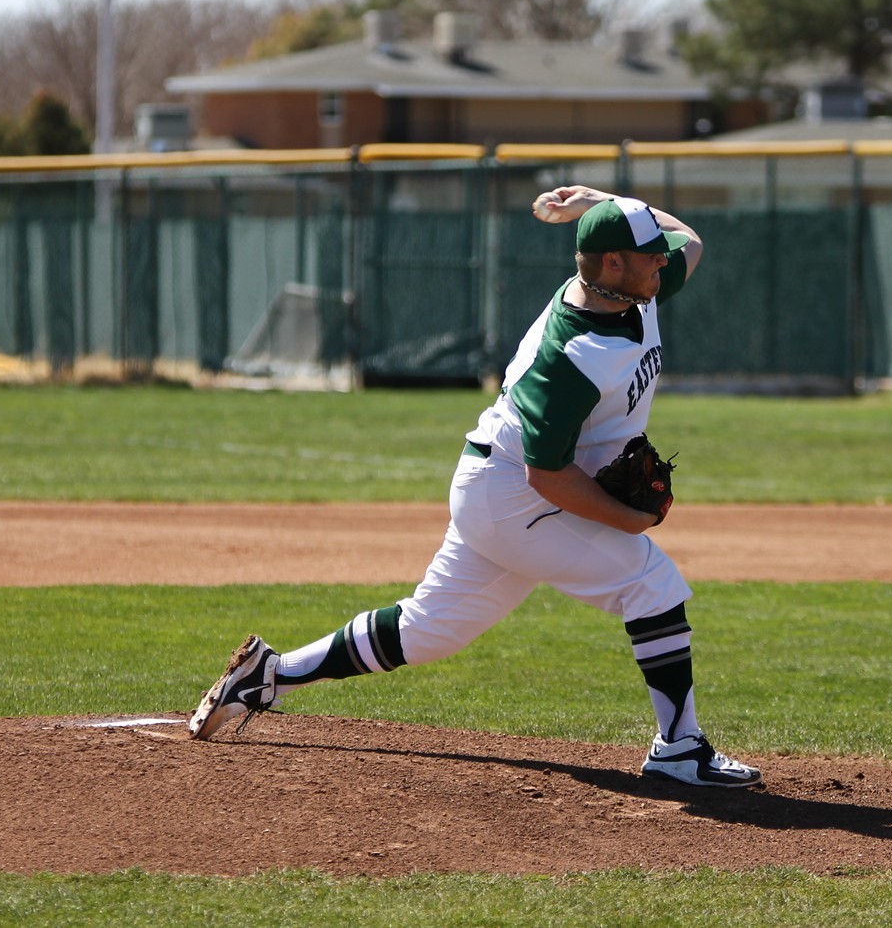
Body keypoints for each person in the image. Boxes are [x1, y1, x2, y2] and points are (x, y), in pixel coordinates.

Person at [188, 185, 762, 788]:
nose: (664, 260)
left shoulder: (635, 288)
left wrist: (599, 200)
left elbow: (690, 242)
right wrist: (630, 521)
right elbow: (548, 475)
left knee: (429, 629)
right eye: (650, 253)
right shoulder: (571, 355)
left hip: (495, 482)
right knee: (649, 581)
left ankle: (267, 674)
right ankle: (680, 748)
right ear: (613, 264)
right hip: (515, 493)